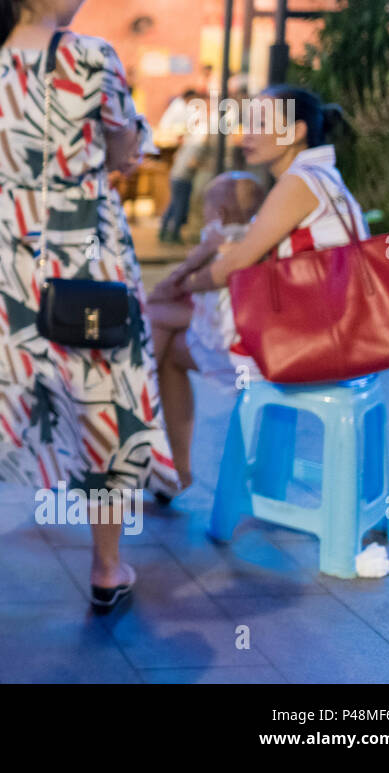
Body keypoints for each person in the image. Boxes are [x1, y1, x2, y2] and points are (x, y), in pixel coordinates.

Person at [0, 0, 180, 612]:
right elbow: (124, 151)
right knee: (103, 387)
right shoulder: (91, 57)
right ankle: (107, 567)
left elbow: (0, 150)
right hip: (82, 249)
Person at [157, 86, 367, 484]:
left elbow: (233, 266)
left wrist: (180, 285)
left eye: (259, 124)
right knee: (161, 325)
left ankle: (160, 465)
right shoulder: (318, 176)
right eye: (245, 124)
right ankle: (166, 468)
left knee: (157, 329)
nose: (245, 136)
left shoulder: (299, 183)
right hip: (330, 328)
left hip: (313, 342)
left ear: (297, 130)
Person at [146, 171, 266, 491]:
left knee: (152, 314)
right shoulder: (257, 233)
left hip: (224, 329)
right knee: (166, 339)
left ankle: (140, 398)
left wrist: (195, 259)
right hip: (234, 328)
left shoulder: (221, 236)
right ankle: (176, 470)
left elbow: (166, 290)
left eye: (205, 211)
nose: (203, 218)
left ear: (221, 214)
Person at [157, 87, 213, 243]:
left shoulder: (195, 129)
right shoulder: (201, 130)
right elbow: (193, 158)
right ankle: (173, 234)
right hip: (184, 174)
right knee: (180, 204)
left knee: (174, 203)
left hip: (178, 173)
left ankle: (164, 231)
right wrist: (201, 164)